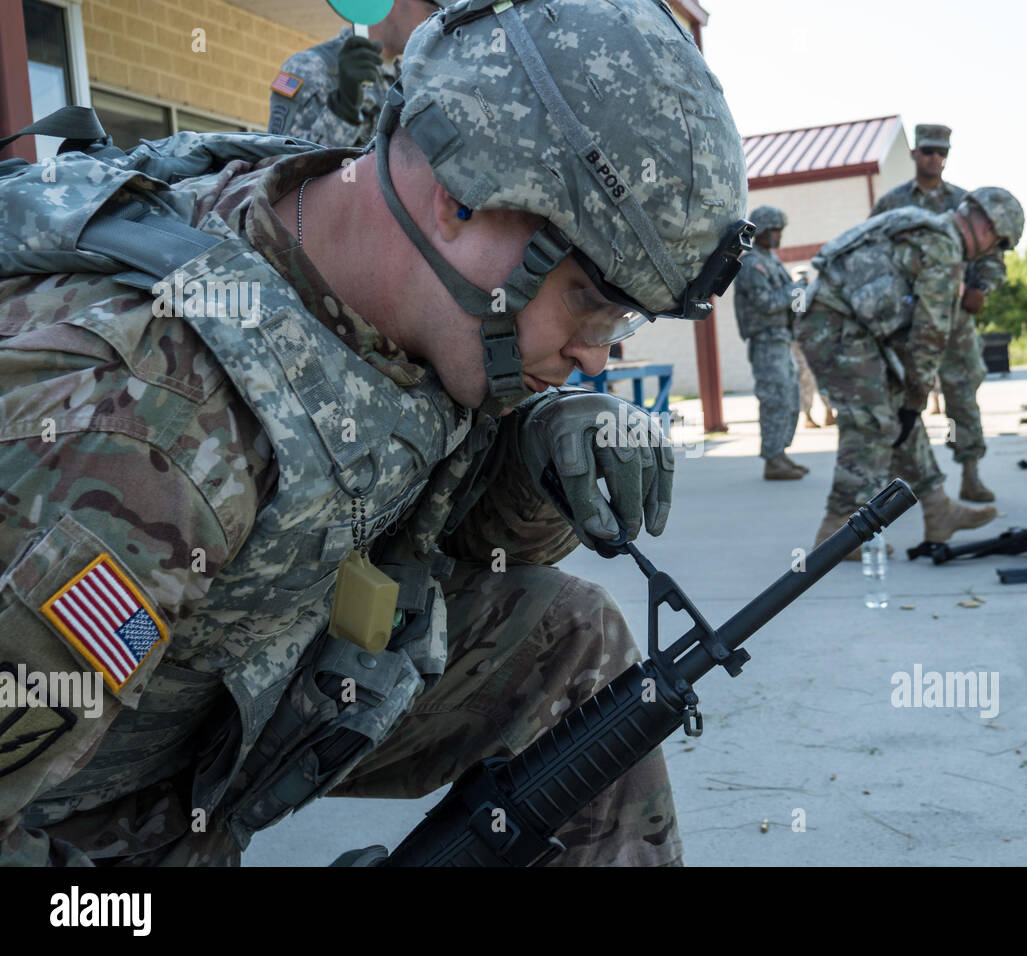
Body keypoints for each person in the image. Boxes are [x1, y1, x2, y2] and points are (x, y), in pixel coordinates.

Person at [0, 0, 748, 866]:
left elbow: (442, 518)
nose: (596, 357)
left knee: (572, 639)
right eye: (593, 298)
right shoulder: (148, 438)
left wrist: (542, 457)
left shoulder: (393, 271)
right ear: (460, 199)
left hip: (233, 688)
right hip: (85, 806)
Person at [797, 188, 1024, 559]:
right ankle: (837, 530)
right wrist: (917, 396)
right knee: (872, 422)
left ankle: (938, 510)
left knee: (900, 417)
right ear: (988, 229)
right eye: (997, 244)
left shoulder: (926, 226)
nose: (991, 252)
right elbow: (929, 335)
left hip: (845, 321)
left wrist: (909, 403)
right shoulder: (945, 250)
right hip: (834, 324)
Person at [870, 124, 1006, 502]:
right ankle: (900, 481)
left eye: (941, 153)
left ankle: (970, 471)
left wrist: (982, 288)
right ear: (914, 153)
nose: (935, 158)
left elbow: (994, 256)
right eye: (928, 151)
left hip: (956, 319)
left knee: (962, 394)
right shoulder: (892, 203)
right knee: (903, 395)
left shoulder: (967, 203)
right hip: (905, 321)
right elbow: (873, 251)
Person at [267, 0, 441, 147]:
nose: (438, 22)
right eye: (433, 9)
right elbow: (278, 165)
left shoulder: (412, 81)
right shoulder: (306, 66)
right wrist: (343, 109)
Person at [731, 205, 809, 480]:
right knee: (775, 398)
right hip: (766, 341)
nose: (779, 236)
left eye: (780, 230)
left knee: (789, 397)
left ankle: (780, 454)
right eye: (774, 231)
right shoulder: (752, 264)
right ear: (761, 232)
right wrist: (795, 289)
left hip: (781, 339)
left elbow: (788, 301)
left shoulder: (770, 260)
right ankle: (773, 459)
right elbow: (766, 303)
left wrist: (798, 294)